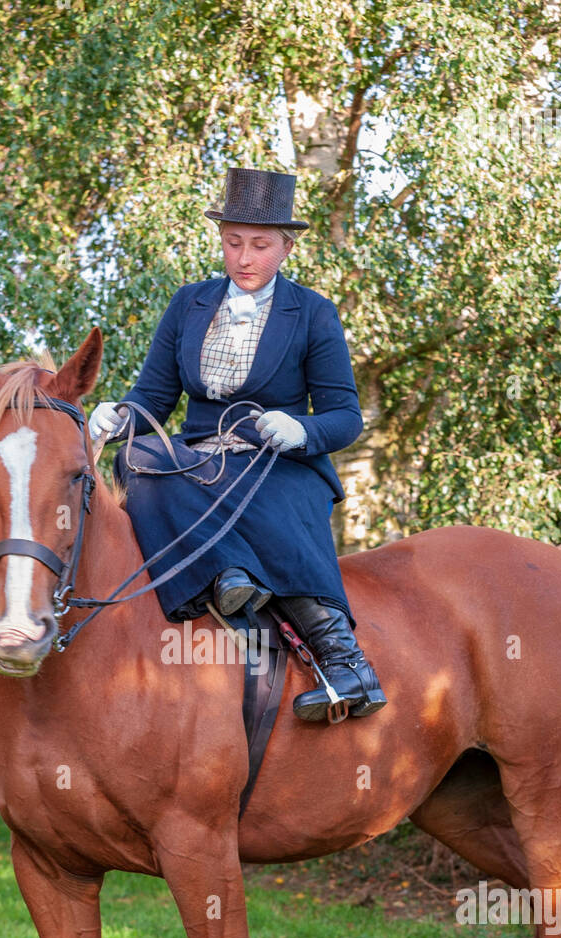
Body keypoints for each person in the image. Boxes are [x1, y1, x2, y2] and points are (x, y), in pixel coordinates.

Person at [89, 167, 386, 721]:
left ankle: (346, 664)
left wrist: (304, 430)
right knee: (139, 456)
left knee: (262, 497)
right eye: (233, 243)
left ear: (287, 247)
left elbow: (346, 416)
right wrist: (115, 418)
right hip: (202, 462)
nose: (244, 258)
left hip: (280, 461)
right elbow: (152, 400)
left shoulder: (314, 312)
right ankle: (227, 578)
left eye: (260, 245)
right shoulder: (189, 304)